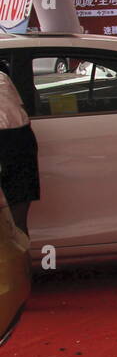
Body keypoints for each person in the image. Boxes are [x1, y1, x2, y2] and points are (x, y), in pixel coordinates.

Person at [0, 60, 38, 236]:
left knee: (15, 224)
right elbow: (22, 107)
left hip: (16, 142)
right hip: (20, 141)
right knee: (18, 224)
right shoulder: (3, 77)